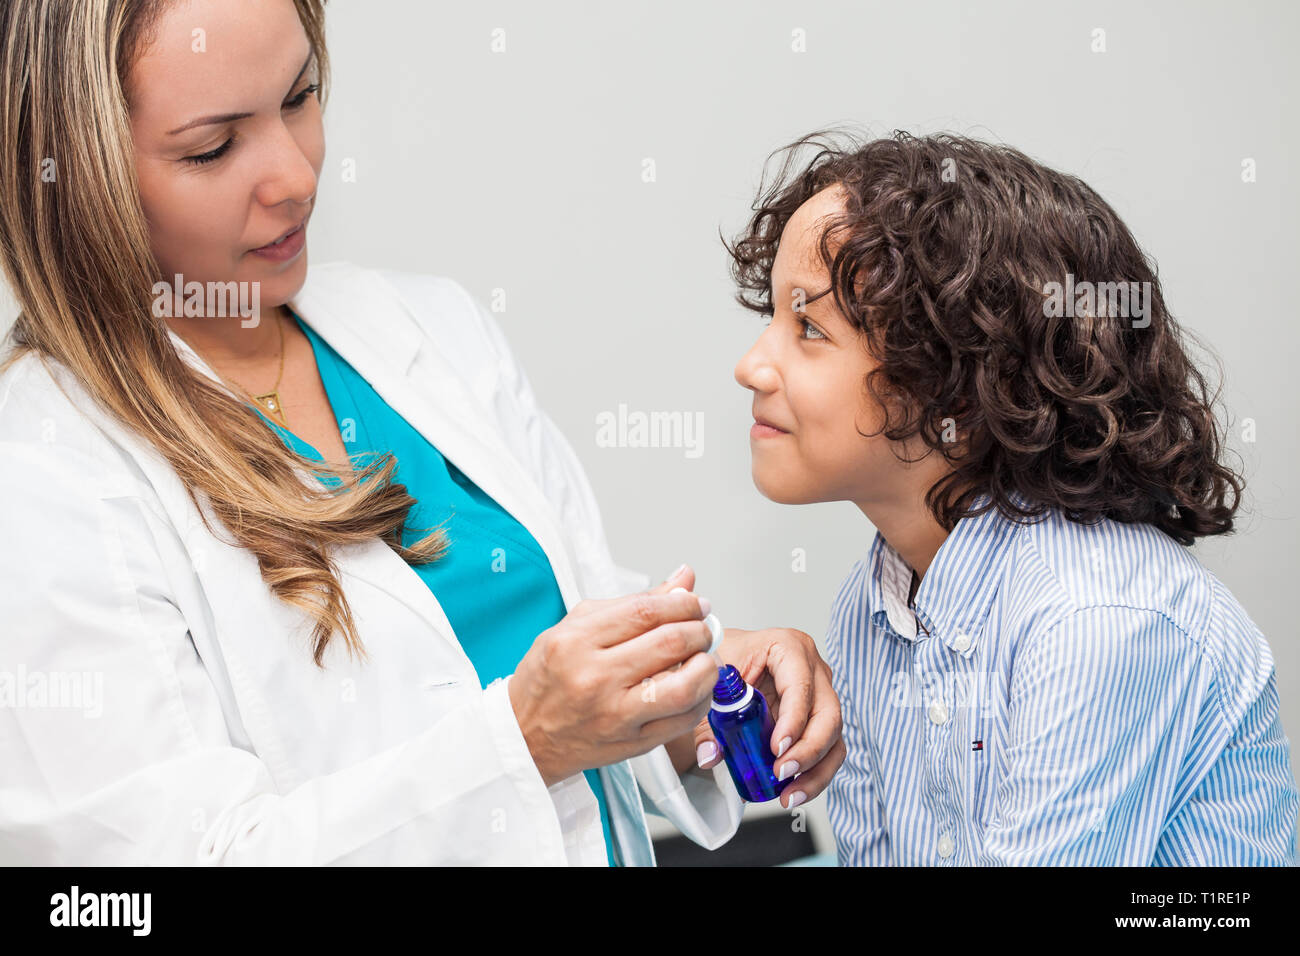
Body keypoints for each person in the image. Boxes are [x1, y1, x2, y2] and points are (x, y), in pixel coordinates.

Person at [0, 0, 845, 865]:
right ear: (78, 177)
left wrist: (689, 685)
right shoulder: (45, 470)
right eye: (214, 148)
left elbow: (570, 640)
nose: (296, 175)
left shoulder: (426, 326)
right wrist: (524, 740)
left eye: (302, 95)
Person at [727, 128, 1299, 865]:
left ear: (959, 381)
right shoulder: (870, 608)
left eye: (808, 326)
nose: (750, 366)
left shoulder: (1094, 621)